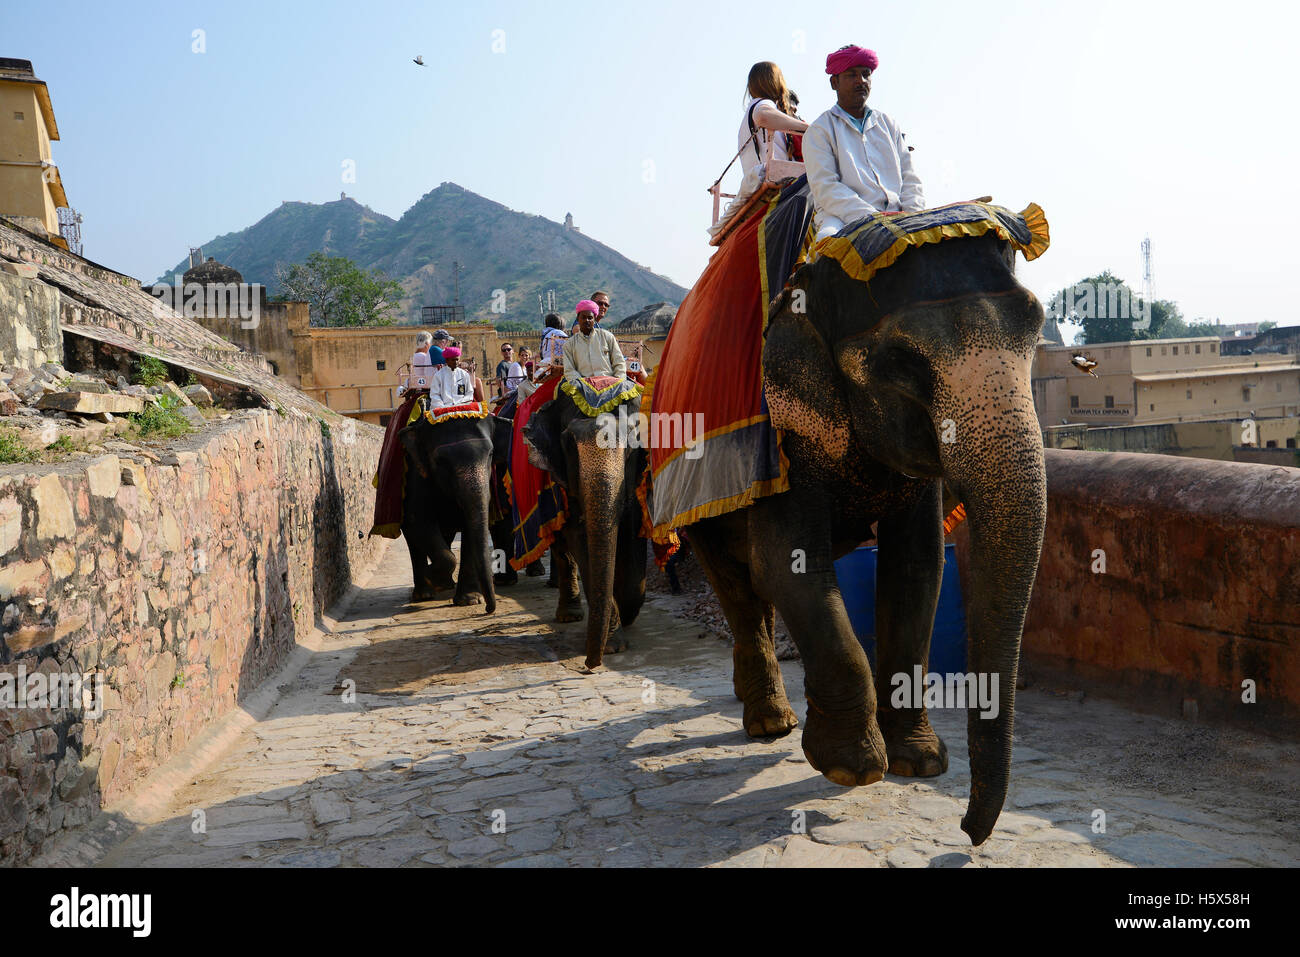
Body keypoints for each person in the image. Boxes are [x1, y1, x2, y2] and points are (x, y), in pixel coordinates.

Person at [803, 45, 924, 241]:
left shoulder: (888, 124)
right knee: (825, 243)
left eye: (866, 74)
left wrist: (914, 214)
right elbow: (826, 188)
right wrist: (873, 219)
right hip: (843, 219)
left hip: (900, 215)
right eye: (851, 75)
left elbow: (909, 177)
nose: (861, 81)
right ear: (834, 83)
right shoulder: (819, 130)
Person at [564, 300, 626, 382]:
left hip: (610, 384)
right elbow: (569, 370)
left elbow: (619, 363)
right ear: (578, 319)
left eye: (590, 318)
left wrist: (617, 382)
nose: (587, 320)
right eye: (583, 317)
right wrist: (581, 385)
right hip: (583, 386)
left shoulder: (607, 337)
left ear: (594, 319)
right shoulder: (569, 344)